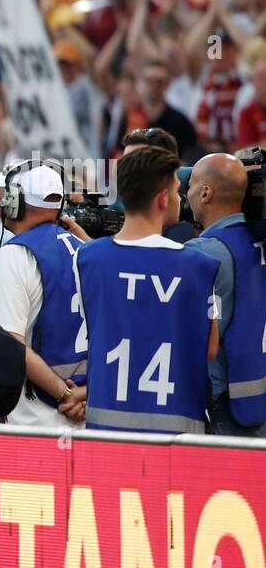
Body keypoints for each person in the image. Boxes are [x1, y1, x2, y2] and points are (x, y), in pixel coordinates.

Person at [71, 146, 219, 435]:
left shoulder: (86, 258)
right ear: (163, 198)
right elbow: (210, 349)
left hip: (105, 426)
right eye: (176, 191)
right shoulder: (200, 266)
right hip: (177, 430)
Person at [0, 161, 92, 428]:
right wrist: (85, 395)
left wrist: (64, 394)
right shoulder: (88, 249)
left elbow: (9, 341)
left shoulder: (13, 255)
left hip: (31, 420)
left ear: (14, 201)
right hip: (86, 415)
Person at [185, 153, 263, 437]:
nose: (186, 192)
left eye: (191, 184)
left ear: (206, 193)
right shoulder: (259, 239)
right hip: (257, 396)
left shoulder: (203, 252)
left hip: (223, 406)